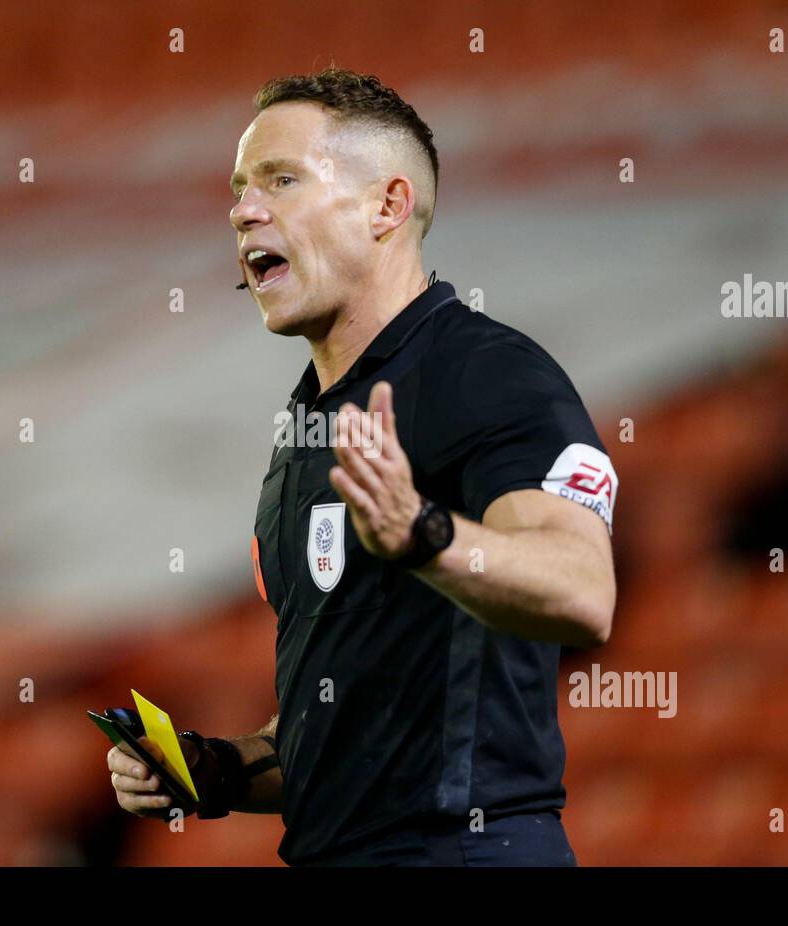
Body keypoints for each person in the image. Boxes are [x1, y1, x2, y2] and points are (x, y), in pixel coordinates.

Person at [109, 67, 617, 866]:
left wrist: (425, 538)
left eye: (280, 180)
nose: (243, 210)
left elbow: (584, 592)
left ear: (387, 206)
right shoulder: (307, 423)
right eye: (239, 188)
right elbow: (333, 730)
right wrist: (215, 769)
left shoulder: (488, 374)